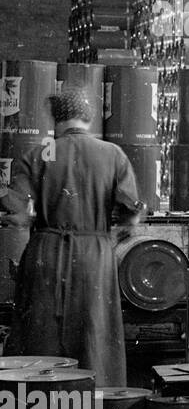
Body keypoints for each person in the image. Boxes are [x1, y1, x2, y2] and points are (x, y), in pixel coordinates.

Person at [0, 88, 143, 386]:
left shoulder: (40, 153)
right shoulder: (112, 154)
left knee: (39, 335)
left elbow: (15, 206)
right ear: (88, 118)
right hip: (94, 256)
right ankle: (95, 406)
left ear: (56, 117)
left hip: (46, 253)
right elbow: (130, 209)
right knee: (96, 334)